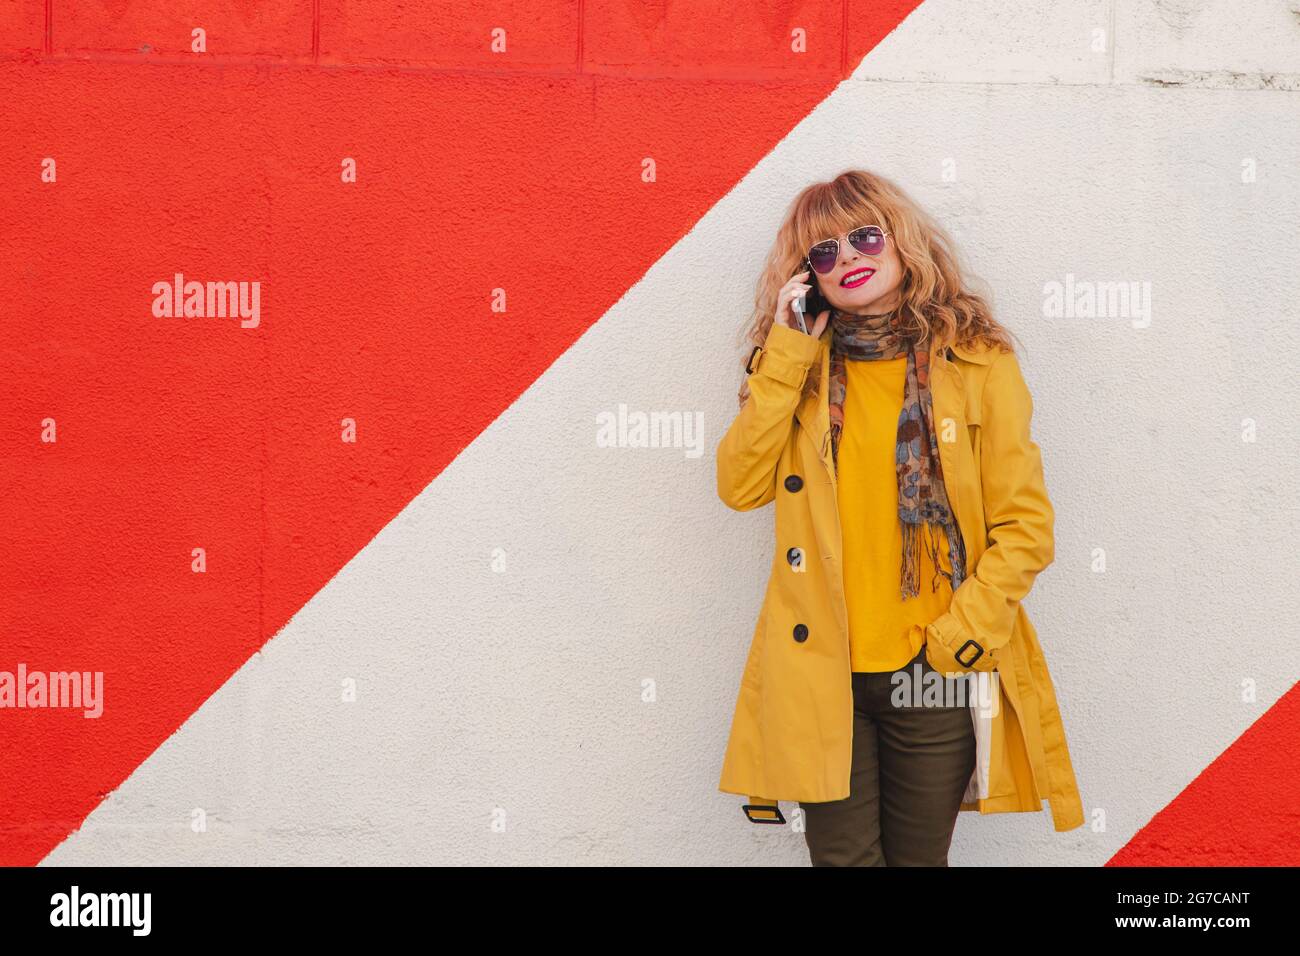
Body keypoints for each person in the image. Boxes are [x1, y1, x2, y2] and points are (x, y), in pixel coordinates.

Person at [716, 169, 1084, 866]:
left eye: (863, 237)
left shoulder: (977, 361)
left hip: (932, 667)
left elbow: (1024, 524)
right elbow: (740, 486)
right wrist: (788, 352)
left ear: (901, 242)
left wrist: (960, 634)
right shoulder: (798, 372)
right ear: (807, 276)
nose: (847, 259)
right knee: (843, 860)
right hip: (824, 667)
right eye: (823, 253)